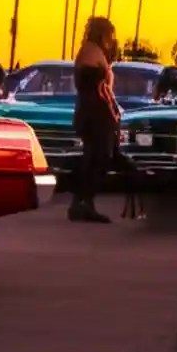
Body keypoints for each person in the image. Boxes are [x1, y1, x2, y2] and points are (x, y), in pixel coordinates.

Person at [70, 17, 126, 223]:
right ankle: (83, 203)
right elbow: (95, 85)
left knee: (96, 156)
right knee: (97, 156)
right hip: (94, 112)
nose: (112, 38)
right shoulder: (90, 51)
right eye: (109, 34)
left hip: (96, 111)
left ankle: (82, 202)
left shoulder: (95, 52)